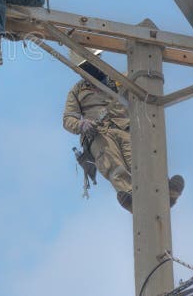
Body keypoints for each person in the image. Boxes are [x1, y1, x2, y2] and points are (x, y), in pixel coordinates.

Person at [62, 49, 185, 213]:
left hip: (124, 127)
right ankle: (132, 199)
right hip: (98, 135)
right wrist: (82, 125)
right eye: (84, 66)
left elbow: (143, 85)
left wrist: (148, 70)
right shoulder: (77, 91)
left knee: (141, 159)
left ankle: (164, 191)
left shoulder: (119, 78)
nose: (89, 67)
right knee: (114, 166)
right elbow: (68, 119)